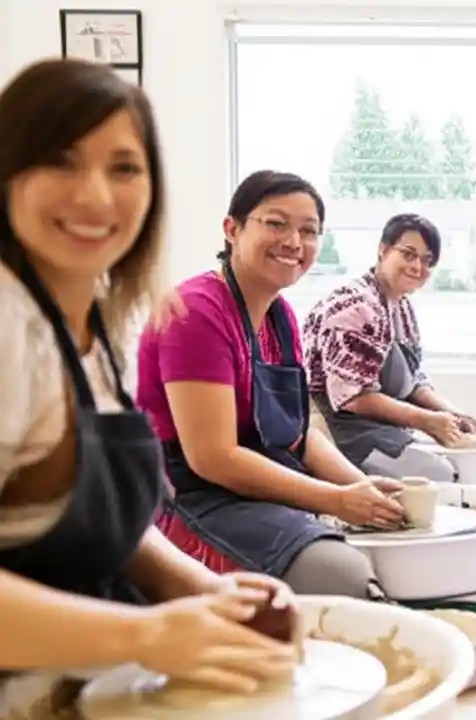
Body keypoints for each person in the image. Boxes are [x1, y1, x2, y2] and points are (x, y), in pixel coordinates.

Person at [0, 59, 297, 711]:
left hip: (95, 674)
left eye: (124, 168)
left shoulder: (95, 324)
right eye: (61, 161)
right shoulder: (7, 325)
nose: (97, 196)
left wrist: (204, 591)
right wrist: (151, 631)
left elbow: (104, 524)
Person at [137, 170, 407, 599]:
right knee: (342, 574)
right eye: (276, 223)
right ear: (233, 229)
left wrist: (359, 487)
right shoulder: (195, 311)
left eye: (308, 230)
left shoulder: (280, 317)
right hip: (191, 500)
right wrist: (334, 501)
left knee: (393, 534)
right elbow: (212, 459)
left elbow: (300, 436)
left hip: (258, 483)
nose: (293, 242)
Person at [302, 212, 476, 480]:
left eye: (427, 260)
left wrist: (453, 414)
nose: (417, 267)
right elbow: (352, 398)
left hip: (379, 424)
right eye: (408, 254)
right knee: (438, 475)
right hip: (342, 429)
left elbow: (414, 382)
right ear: (383, 250)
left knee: (463, 458)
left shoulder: (400, 306)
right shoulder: (354, 306)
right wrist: (426, 421)